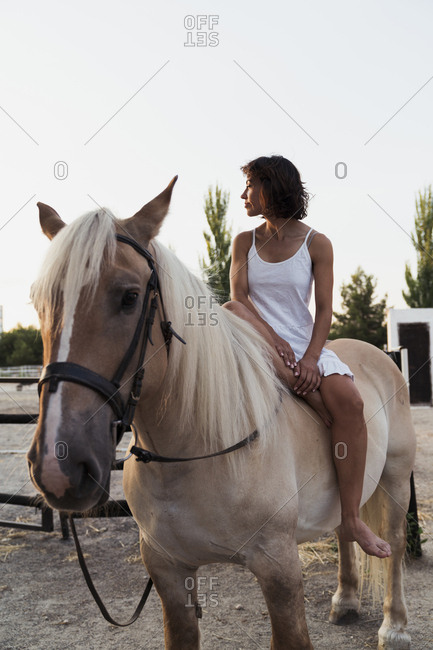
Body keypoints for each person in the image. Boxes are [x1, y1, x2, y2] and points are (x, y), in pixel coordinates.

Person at [223, 155, 391, 559]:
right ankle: (302, 388)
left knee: (350, 403)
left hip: (303, 344)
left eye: (251, 186)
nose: (244, 194)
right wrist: (274, 340)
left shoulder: (317, 243)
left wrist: (313, 359)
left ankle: (350, 519)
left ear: (272, 187)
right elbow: (238, 299)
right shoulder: (244, 242)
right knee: (229, 313)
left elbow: (325, 309)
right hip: (253, 337)